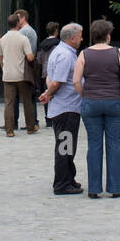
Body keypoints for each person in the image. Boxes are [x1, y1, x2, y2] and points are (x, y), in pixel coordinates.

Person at [72, 19, 120, 198]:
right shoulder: (118, 52)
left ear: (93, 36)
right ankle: (115, 188)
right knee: (114, 145)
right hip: (115, 102)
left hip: (91, 102)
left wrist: (84, 94)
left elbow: (76, 80)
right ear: (108, 35)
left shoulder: (84, 54)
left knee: (94, 145)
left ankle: (94, 188)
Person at [39, 22, 83, 194]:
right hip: (66, 108)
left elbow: (51, 78)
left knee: (67, 145)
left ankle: (69, 178)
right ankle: (62, 184)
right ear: (72, 38)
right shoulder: (65, 55)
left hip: (64, 107)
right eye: (80, 36)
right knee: (65, 146)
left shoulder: (59, 52)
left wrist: (47, 92)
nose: (82, 39)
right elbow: (57, 81)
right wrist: (49, 93)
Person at [0, 10, 39, 130]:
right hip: (22, 75)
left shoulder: (3, 39)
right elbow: (30, 57)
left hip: (8, 75)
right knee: (27, 101)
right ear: (18, 23)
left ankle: (9, 130)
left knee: (9, 103)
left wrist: (4, 69)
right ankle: (30, 127)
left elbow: (0, 57)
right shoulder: (23, 38)